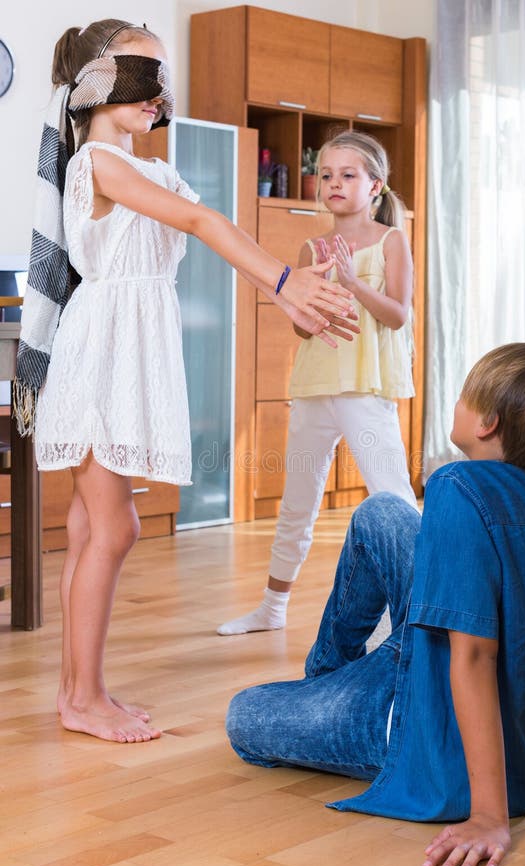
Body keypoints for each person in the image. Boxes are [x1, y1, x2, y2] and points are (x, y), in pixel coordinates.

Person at [15, 19, 357, 744]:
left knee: (91, 525)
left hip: (130, 348)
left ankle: (80, 692)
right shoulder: (97, 165)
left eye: (163, 78)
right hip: (102, 351)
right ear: (97, 82)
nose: (159, 93)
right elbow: (202, 222)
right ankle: (83, 697)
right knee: (112, 525)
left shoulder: (152, 170)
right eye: (144, 73)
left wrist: (300, 299)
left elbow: (210, 221)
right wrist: (281, 280)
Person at [226, 343, 525, 866]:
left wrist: (489, 817)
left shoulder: (456, 486)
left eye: (462, 396)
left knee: (245, 716)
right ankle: (332, 677)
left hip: (427, 734)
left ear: (487, 422)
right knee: (382, 511)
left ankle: (348, 691)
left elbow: (475, 655)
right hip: (450, 681)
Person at [218, 130, 418, 636]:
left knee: (392, 500)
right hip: (314, 387)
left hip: (364, 390)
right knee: (297, 502)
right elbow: (298, 326)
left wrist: (351, 284)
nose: (334, 183)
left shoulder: (392, 241)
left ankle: (415, 618)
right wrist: (314, 303)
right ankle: (271, 608)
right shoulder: (312, 248)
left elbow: (397, 316)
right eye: (326, 174)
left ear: (375, 186)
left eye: (348, 174)